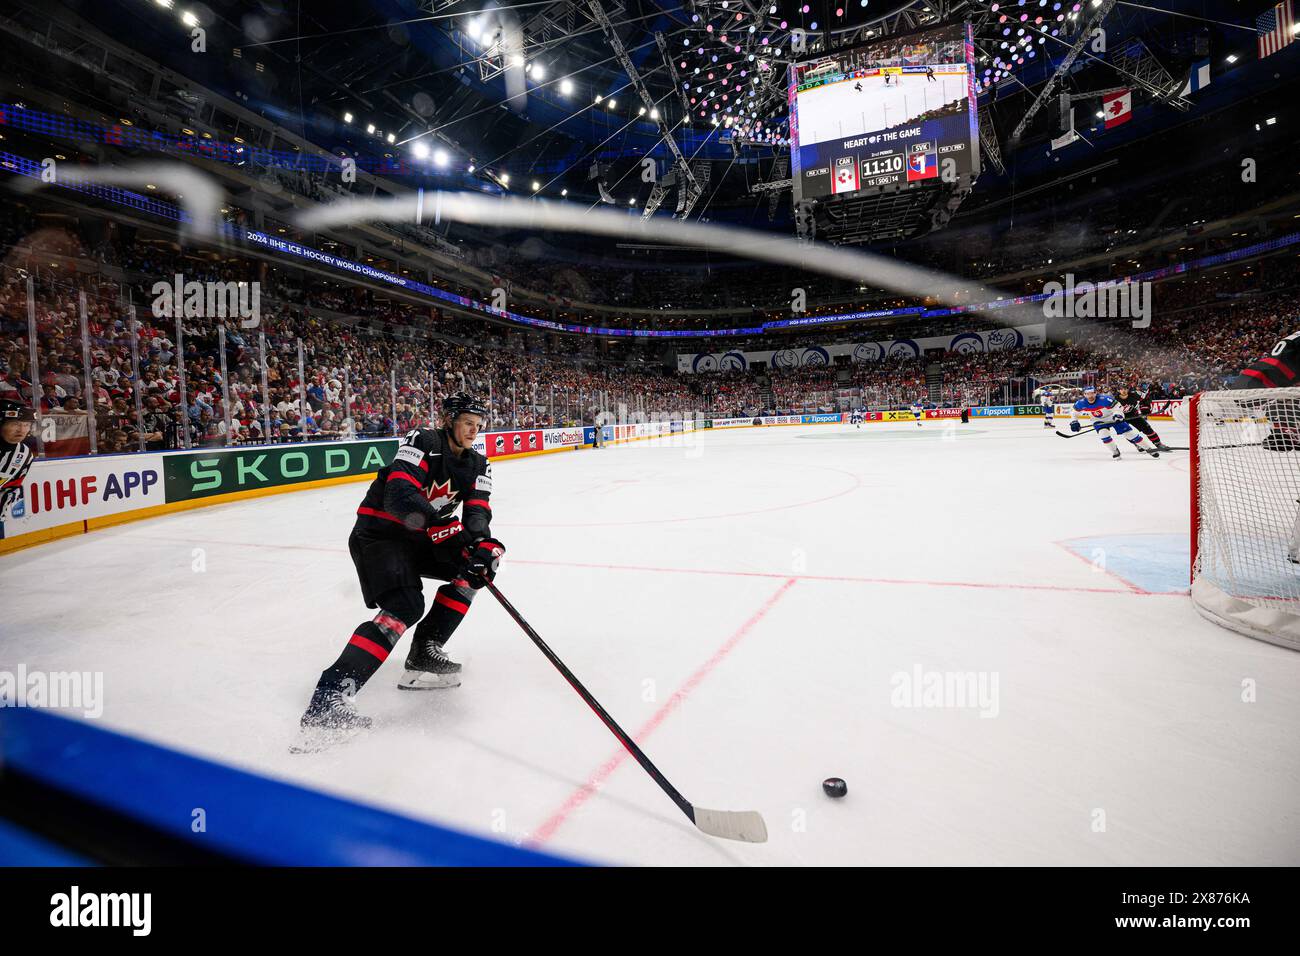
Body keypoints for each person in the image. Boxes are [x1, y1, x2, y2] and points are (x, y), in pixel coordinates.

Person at [294, 393, 505, 751]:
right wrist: (439, 521)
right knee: (405, 606)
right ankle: (330, 695)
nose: (474, 430)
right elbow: (399, 493)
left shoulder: (479, 464)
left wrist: (481, 543)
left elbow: (477, 511)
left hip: (422, 538)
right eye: (468, 422)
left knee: (478, 567)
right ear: (449, 420)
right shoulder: (422, 441)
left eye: (479, 425)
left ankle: (425, 650)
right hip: (381, 535)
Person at [1070, 385, 1160, 460]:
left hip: (1112, 417)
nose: (1090, 396)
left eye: (1092, 393)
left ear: (1095, 393)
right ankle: (1115, 451)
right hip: (1098, 420)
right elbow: (1074, 412)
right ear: (1084, 394)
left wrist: (1118, 415)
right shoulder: (1080, 403)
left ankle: (1149, 449)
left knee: (1130, 434)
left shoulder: (1104, 399)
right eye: (1088, 394)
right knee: (1104, 435)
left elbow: (1118, 407)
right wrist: (1074, 421)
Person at [0, 400, 36, 523]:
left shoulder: (25, 454)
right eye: (15, 424)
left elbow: (10, 486)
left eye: (26, 425)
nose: (21, 430)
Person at [1114, 384, 1171, 452]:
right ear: (1118, 390)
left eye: (1125, 389)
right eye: (1121, 389)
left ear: (1128, 389)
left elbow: (1146, 398)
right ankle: (1137, 444)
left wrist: (1145, 407)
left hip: (1134, 416)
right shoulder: (1114, 399)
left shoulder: (1134, 394)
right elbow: (1108, 409)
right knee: (1127, 433)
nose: (1124, 391)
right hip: (1121, 418)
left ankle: (1158, 444)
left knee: (1147, 429)